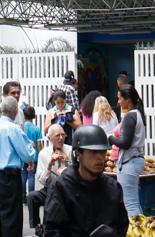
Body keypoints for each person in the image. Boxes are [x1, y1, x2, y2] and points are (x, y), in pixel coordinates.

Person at [42, 124, 129, 237]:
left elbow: (121, 227)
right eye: (93, 151)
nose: (100, 157)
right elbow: (52, 230)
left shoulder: (113, 188)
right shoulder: (61, 188)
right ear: (78, 154)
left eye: (102, 151)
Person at [0, 96, 37, 237]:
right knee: (11, 217)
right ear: (15, 111)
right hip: (11, 177)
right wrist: (31, 147)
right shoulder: (14, 129)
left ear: (1, 110)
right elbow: (26, 154)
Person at [108, 84, 145, 217]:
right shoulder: (137, 114)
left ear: (128, 99)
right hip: (136, 161)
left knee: (129, 204)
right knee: (135, 203)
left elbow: (125, 143)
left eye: (120, 99)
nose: (118, 102)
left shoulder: (130, 116)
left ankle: (134, 228)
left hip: (129, 162)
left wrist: (110, 138)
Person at [29, 124, 72, 234]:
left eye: (63, 135)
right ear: (49, 138)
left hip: (68, 189)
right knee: (32, 197)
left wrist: (68, 160)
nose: (61, 138)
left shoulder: (70, 151)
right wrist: (49, 165)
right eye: (58, 135)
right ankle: (37, 226)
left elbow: (77, 173)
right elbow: (42, 180)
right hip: (50, 188)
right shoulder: (44, 154)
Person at [22, 105, 41, 203]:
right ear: (34, 116)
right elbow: (38, 143)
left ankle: (22, 196)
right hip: (34, 156)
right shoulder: (37, 129)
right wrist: (40, 153)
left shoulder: (21, 128)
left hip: (23, 155)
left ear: (23, 116)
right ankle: (31, 197)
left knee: (23, 175)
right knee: (31, 176)